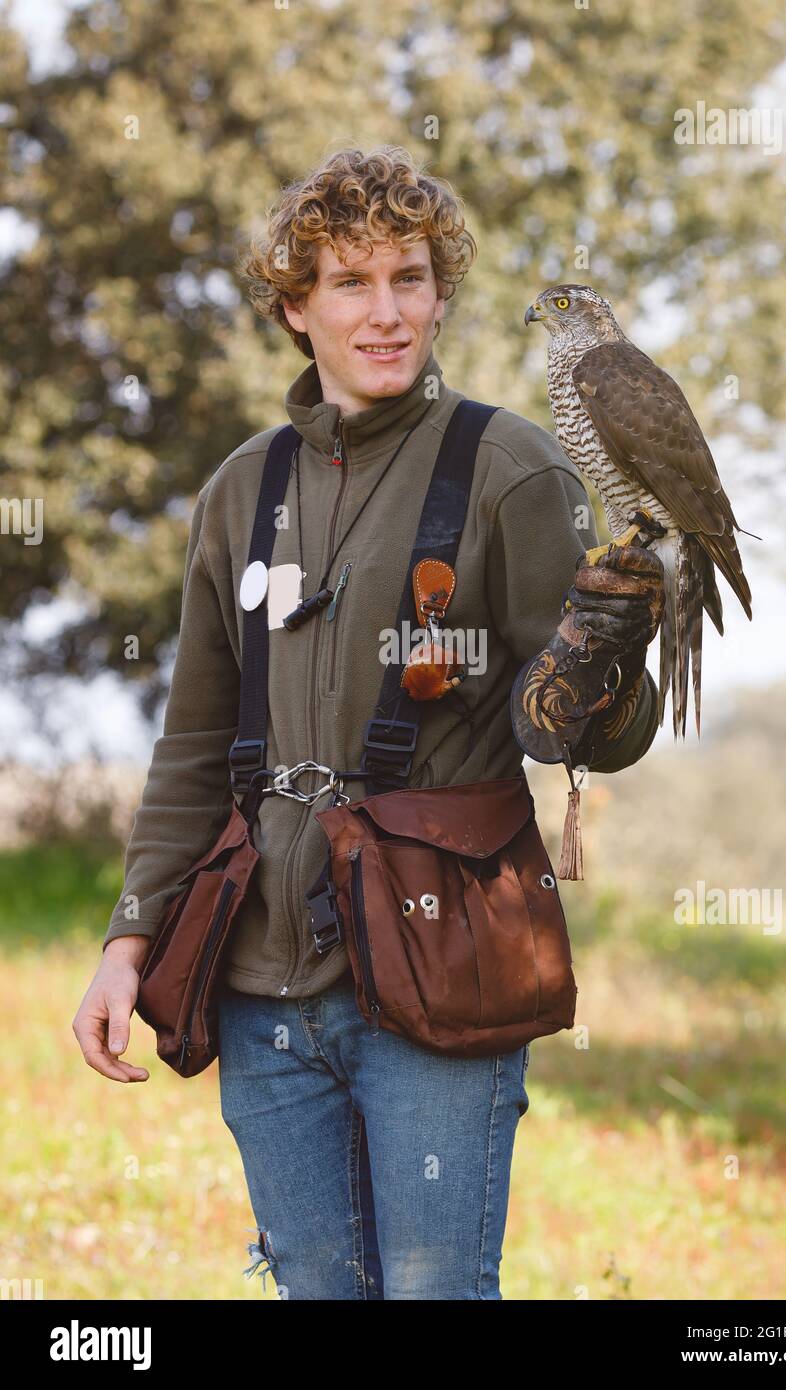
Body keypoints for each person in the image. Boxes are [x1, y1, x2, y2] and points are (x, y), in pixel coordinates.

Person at [72, 145, 663, 1300]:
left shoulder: (512, 469)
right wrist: (125, 940)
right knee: (314, 1288)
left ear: (441, 295)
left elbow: (587, 734)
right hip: (260, 982)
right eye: (350, 282)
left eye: (409, 278)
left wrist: (602, 667)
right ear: (296, 306)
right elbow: (194, 743)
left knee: (436, 1291)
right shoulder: (240, 490)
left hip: (442, 966)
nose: (385, 312)